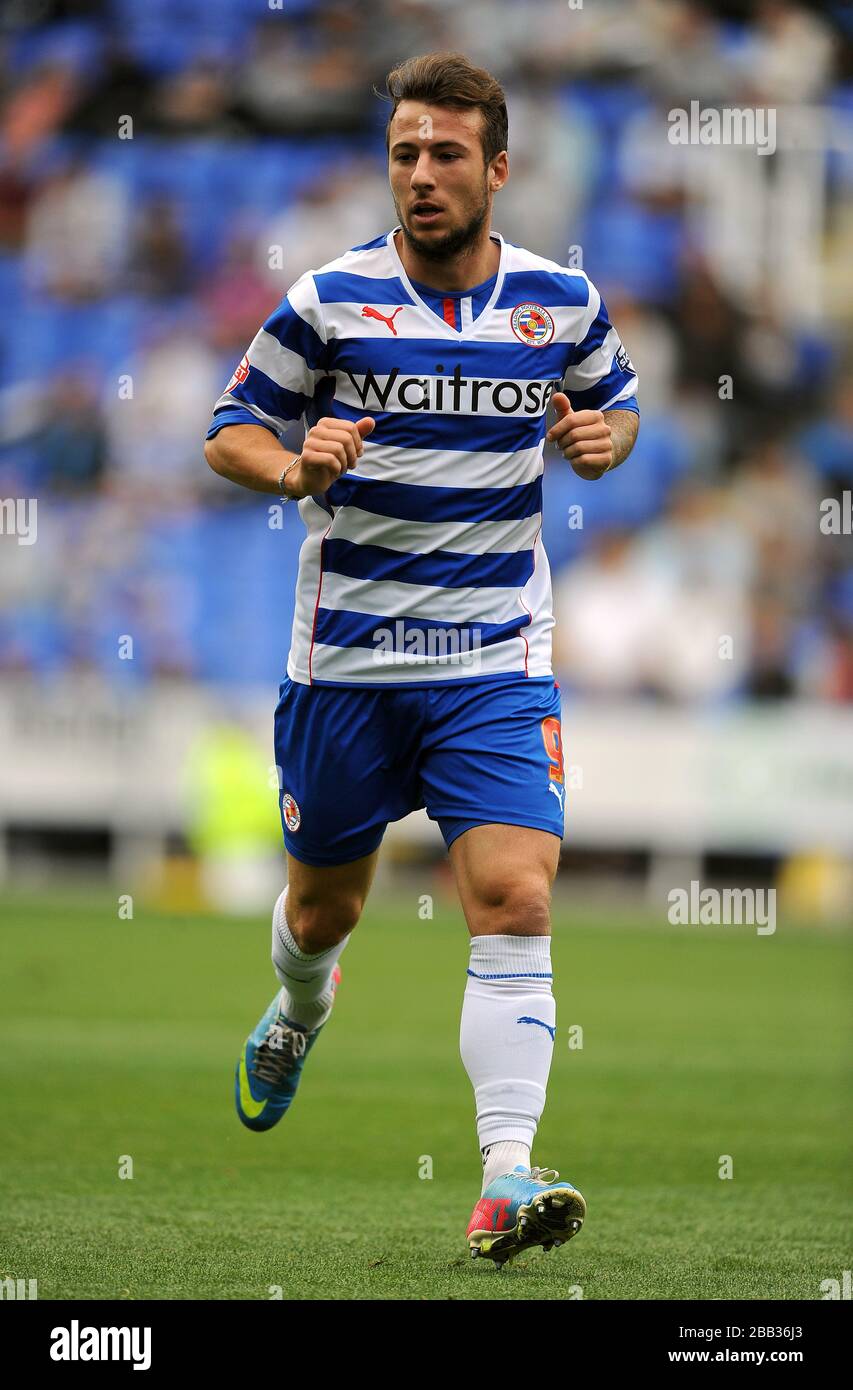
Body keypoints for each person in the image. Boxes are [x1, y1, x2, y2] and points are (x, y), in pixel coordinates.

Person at [203, 52, 639, 1269]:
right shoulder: (328, 298)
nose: (422, 174)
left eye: (447, 153)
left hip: (493, 661)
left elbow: (618, 402)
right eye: (404, 152)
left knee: (514, 897)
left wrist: (604, 439)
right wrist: (294, 466)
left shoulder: (560, 302)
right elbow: (229, 428)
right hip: (345, 667)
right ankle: (300, 1007)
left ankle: (505, 1175)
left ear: (498, 170)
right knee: (320, 908)